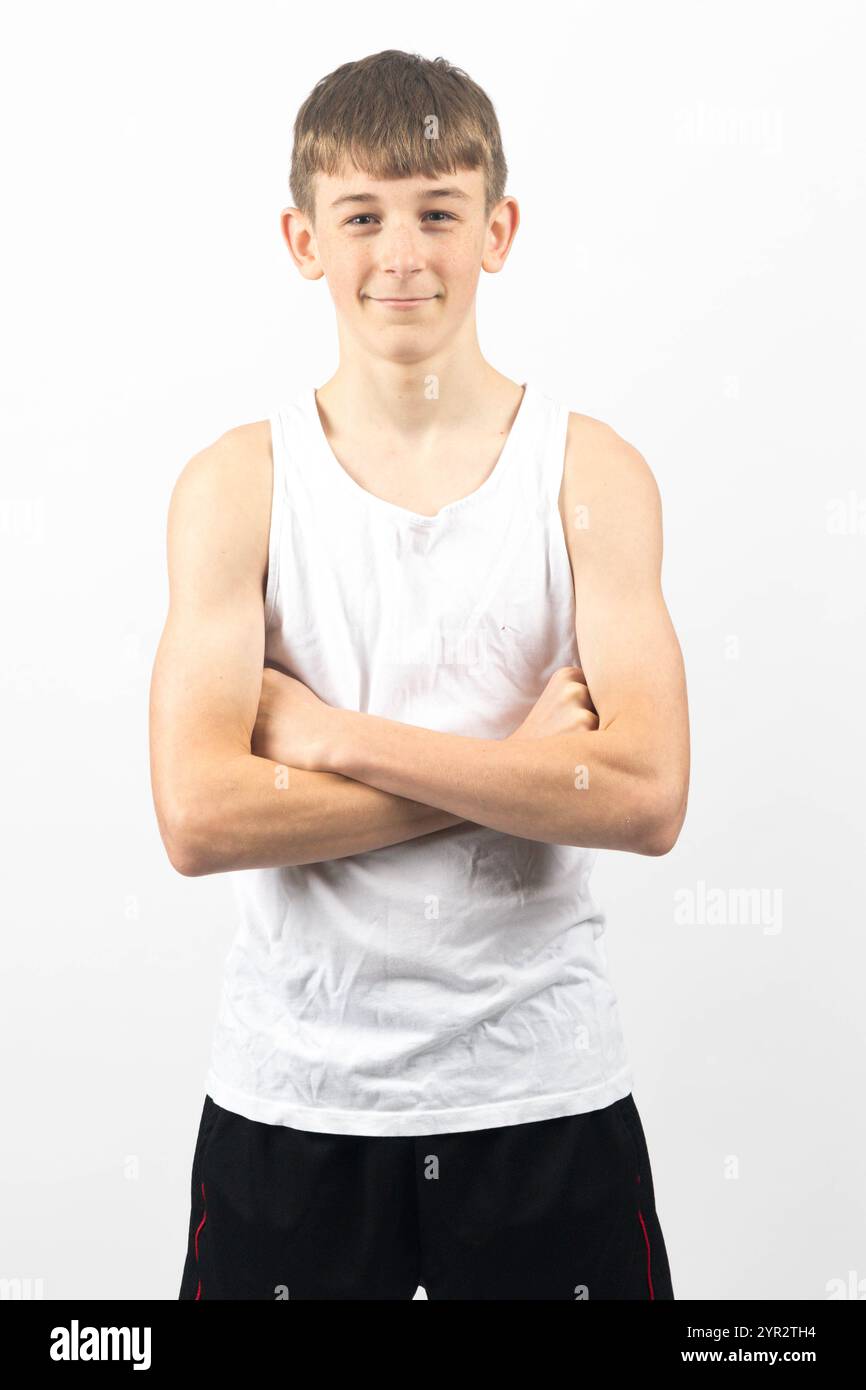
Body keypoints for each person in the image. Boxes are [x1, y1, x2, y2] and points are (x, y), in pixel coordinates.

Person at [149, 48, 690, 1300]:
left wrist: (331, 738)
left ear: (496, 230)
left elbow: (648, 799)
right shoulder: (235, 484)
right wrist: (520, 773)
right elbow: (198, 816)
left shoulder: (589, 473)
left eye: (439, 211)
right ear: (302, 240)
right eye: (362, 216)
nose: (402, 253)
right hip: (294, 1109)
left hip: (540, 1103)